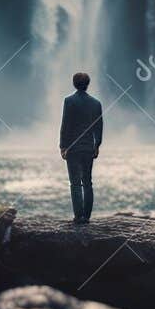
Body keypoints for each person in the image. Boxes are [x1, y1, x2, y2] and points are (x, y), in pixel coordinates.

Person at [59, 70, 103, 225]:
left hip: (73, 148)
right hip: (88, 148)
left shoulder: (69, 101)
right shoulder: (96, 103)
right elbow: (99, 127)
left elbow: (66, 125)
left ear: (74, 84)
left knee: (75, 183)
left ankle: (78, 217)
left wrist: (63, 146)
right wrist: (97, 145)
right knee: (88, 182)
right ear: (88, 84)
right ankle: (87, 217)